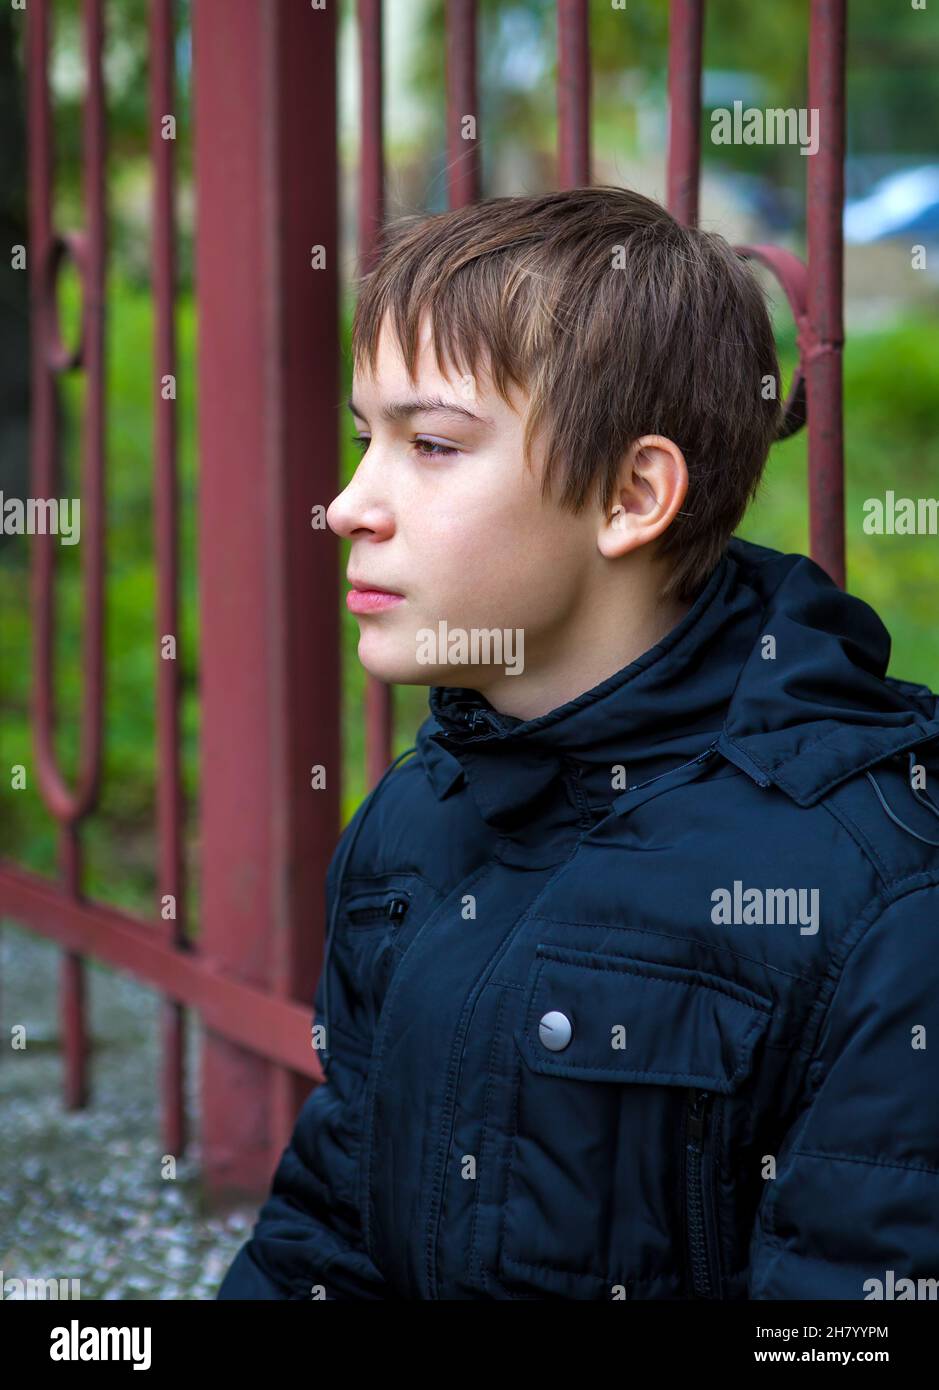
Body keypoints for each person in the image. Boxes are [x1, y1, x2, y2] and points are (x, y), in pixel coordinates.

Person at [217, 185, 939, 1300]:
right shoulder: (417, 817)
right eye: (368, 439)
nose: (348, 504)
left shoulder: (876, 892)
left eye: (434, 445)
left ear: (631, 493)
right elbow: (328, 1234)